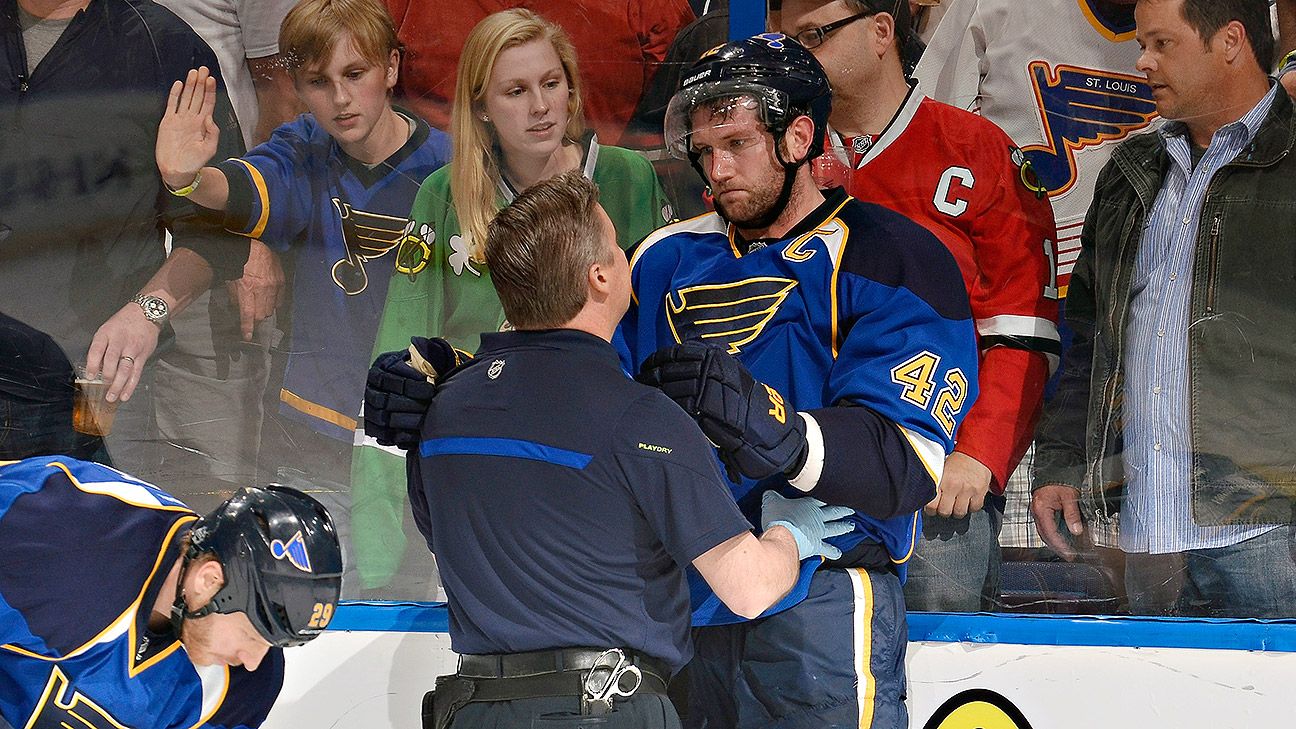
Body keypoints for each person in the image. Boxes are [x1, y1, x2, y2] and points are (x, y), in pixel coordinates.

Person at [379, 171, 848, 729]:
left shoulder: (442, 409)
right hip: (601, 709)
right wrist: (790, 536)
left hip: (473, 709)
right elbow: (746, 588)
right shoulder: (639, 417)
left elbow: (443, 538)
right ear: (600, 277)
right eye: (617, 249)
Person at [622, 35, 979, 728]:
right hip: (682, 594)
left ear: (799, 136)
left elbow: (906, 463)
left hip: (823, 595)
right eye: (703, 150)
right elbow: (594, 396)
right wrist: (475, 391)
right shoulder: (663, 260)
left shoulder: (895, 257)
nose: (715, 168)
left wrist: (772, 425)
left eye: (735, 144)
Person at [350, 8, 673, 594]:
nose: (540, 105)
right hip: (482, 457)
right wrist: (379, 563)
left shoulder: (628, 181)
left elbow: (656, 343)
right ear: (481, 106)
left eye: (552, 83)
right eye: (516, 91)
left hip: (595, 461)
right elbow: (400, 359)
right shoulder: (445, 195)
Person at [154, 0, 451, 591]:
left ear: (391, 68)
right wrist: (188, 179)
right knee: (312, 604)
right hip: (319, 432)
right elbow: (248, 185)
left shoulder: (451, 168)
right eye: (318, 82)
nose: (340, 99)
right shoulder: (304, 149)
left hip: (422, 439)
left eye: (355, 74)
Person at [776, 0, 1060, 613]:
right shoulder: (778, 157)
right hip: (798, 476)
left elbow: (1024, 329)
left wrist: (978, 453)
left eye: (816, 34)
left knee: (942, 686)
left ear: (882, 32)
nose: (798, 53)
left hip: (933, 484)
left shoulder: (979, 151)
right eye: (788, 37)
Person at [1032, 0, 1296, 618]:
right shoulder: (1128, 172)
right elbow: (1089, 343)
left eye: (1161, 43)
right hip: (1143, 534)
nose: (1142, 63)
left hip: (1272, 534)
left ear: (1231, 40)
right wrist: (1062, 463)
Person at [913, 0, 1157, 558]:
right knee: (988, 504)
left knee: (1127, 533)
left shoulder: (1202, 19)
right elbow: (925, 127)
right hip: (1011, 309)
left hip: (1135, 311)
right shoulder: (996, 6)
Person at [0, 0, 254, 476]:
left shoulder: (165, 47)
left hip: (94, 383)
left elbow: (217, 233)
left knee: (96, 544)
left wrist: (147, 312)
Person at [0, 455, 342, 729]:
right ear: (209, 581)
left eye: (273, 643)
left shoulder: (247, 687)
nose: (253, 662)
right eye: (253, 636)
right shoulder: (57, 531)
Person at [151, 0, 302, 501]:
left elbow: (286, 94)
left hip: (218, 240)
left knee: (214, 477)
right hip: (125, 250)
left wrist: (254, 237)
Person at [383, 0, 695, 146]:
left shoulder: (646, 7)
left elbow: (677, 123)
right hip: (451, 194)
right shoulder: (399, 8)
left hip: (597, 194)